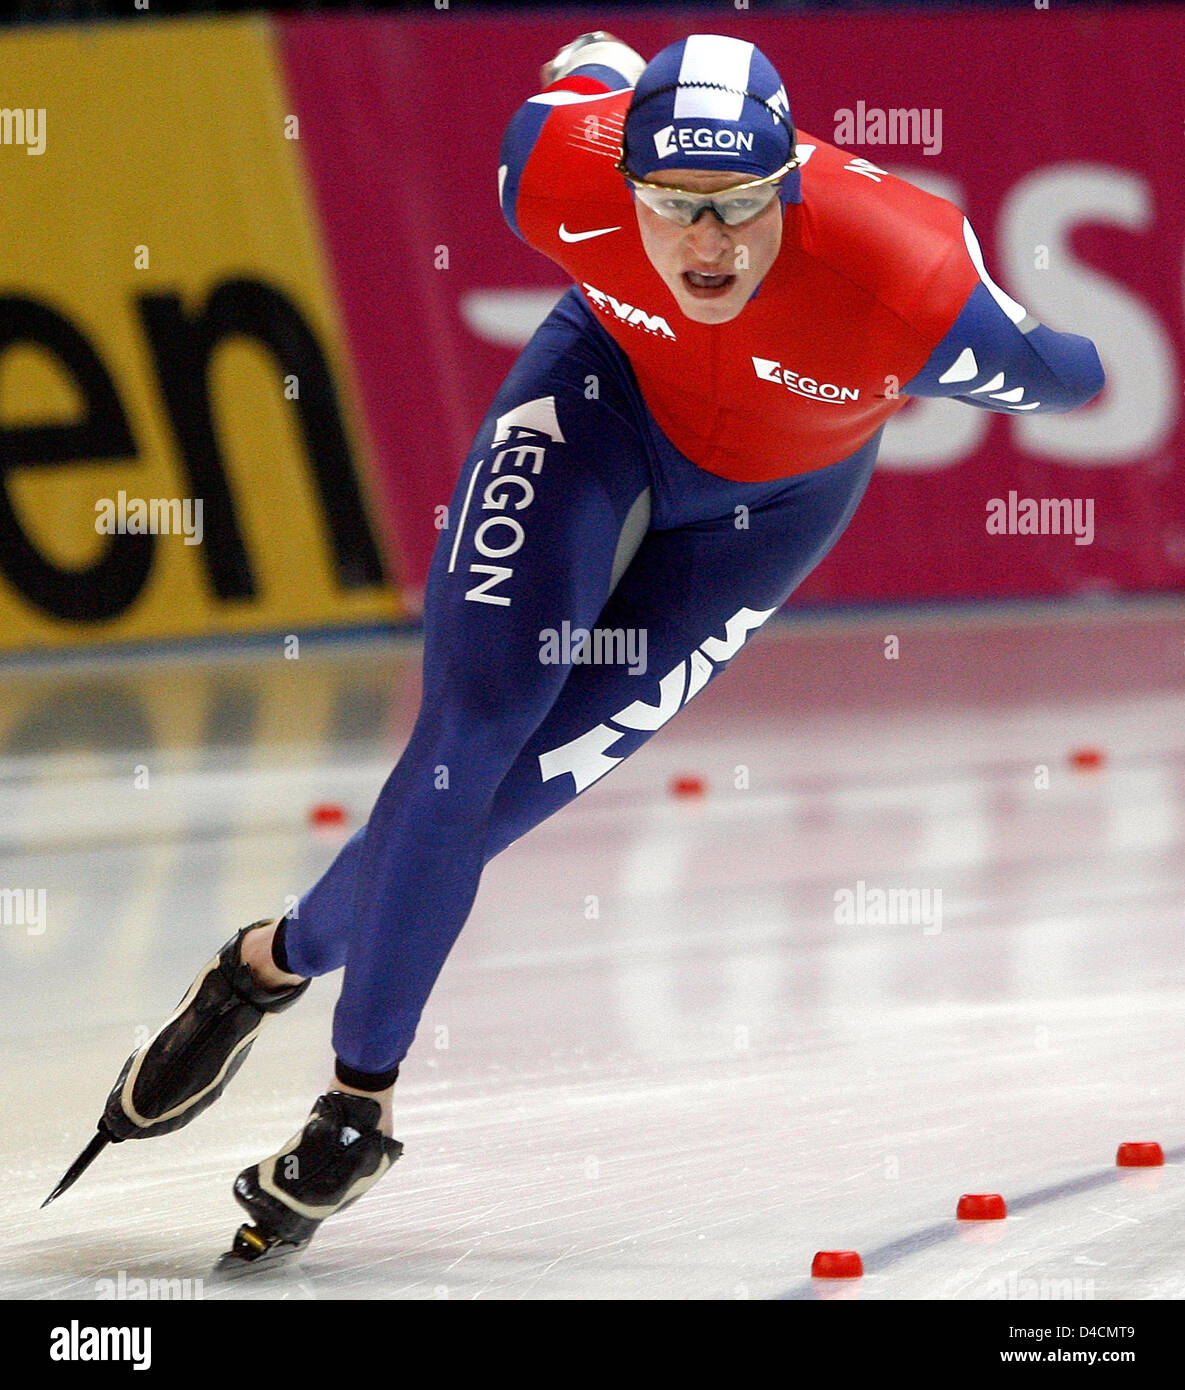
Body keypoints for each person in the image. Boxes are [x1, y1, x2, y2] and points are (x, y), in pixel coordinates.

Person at [47, 31, 1104, 1263]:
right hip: (597, 405)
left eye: (738, 208)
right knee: (467, 738)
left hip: (771, 509)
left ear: (791, 185)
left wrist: (1006, 327)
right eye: (669, 208)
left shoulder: (909, 276)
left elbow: (1069, 377)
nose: (704, 246)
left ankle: (260, 968)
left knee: (500, 802)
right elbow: (585, 81)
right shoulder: (551, 170)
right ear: (627, 184)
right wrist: (599, 71)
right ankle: (359, 1104)